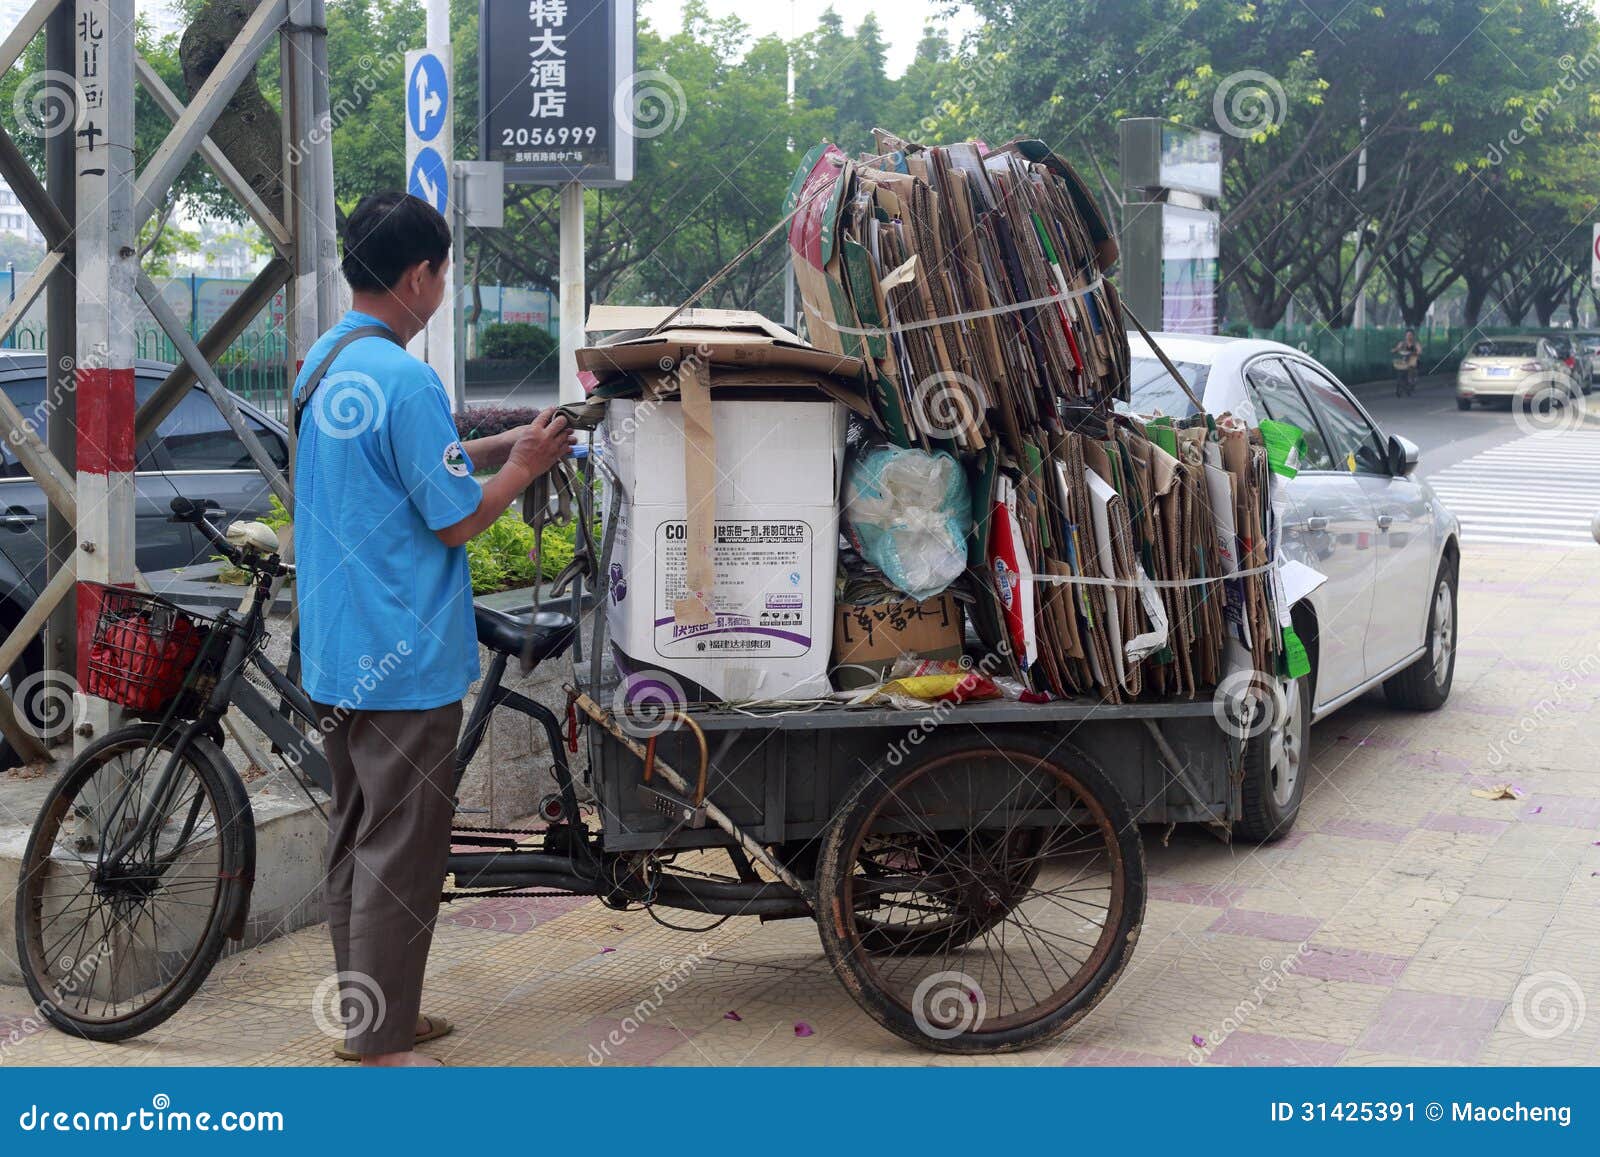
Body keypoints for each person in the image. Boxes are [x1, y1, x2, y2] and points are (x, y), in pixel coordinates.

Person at [292, 191, 573, 1067]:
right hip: (404, 658)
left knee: (356, 835)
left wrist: (498, 445)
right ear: (419, 274)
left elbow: (412, 469)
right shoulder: (407, 378)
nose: (444, 287)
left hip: (338, 651)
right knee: (401, 855)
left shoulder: (328, 363)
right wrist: (526, 465)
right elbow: (453, 521)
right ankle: (377, 1037)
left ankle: (372, 1009)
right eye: (444, 273)